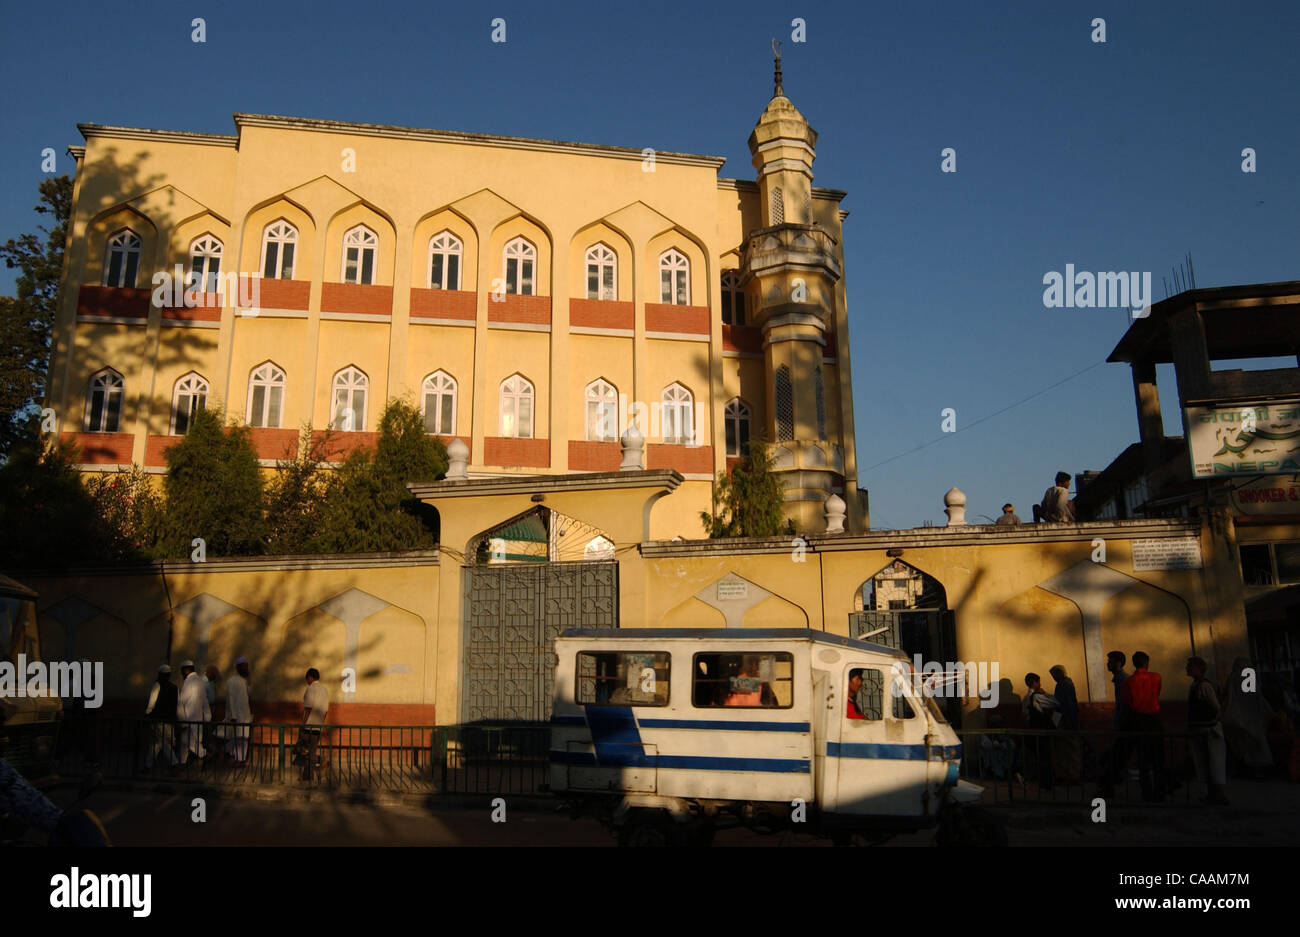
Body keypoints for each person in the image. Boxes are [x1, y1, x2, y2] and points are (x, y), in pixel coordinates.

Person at [1120, 651, 1165, 801]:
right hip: (1154, 720)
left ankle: (1147, 792)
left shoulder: (1129, 682)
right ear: (1147, 663)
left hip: (1138, 721)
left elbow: (1127, 703)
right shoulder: (1156, 677)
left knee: (1143, 759)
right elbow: (1157, 693)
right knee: (1158, 757)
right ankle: (1160, 791)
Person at [1221, 656, 1275, 778]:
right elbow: (1255, 696)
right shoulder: (1247, 677)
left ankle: (1250, 770)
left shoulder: (1234, 677)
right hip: (1252, 716)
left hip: (1240, 716)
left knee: (1243, 745)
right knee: (1255, 744)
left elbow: (1230, 696)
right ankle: (1257, 770)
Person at [1186, 657, 1229, 805]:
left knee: (1214, 762)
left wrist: (1213, 722)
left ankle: (1219, 794)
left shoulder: (1204, 686)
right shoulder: (1195, 685)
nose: (1187, 669)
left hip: (1209, 728)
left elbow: (1216, 707)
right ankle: (1211, 794)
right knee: (1205, 762)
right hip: (1201, 728)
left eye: (1190, 666)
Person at [1098, 651, 1131, 798]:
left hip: (1124, 725)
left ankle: (1108, 788)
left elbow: (1123, 705)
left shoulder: (1122, 679)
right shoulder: (1120, 679)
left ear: (1118, 663)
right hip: (1122, 724)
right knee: (1116, 758)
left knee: (1114, 758)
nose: (1107, 664)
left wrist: (1119, 724)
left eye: (1110, 661)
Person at [1021, 673, 1059, 791]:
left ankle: (1028, 778)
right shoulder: (1036, 696)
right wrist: (1045, 694)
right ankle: (1045, 784)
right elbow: (1056, 702)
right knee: (1044, 758)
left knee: (1036, 758)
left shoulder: (1026, 697)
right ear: (1034, 683)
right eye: (1038, 682)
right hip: (1039, 731)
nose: (1040, 684)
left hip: (1030, 730)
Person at [1049, 665, 1082, 780]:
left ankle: (1071, 775)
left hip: (1067, 720)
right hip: (1068, 719)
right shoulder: (1067, 684)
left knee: (1069, 750)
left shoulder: (1063, 685)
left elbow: (1065, 705)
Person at [143, 664, 178, 769]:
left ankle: (174, 762)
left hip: (158, 719)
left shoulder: (157, 685)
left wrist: (147, 714)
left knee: (162, 743)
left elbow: (151, 703)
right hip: (169, 719)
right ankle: (147, 765)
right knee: (158, 743)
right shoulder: (174, 688)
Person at [176, 660, 211, 765]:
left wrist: (180, 716)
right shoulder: (200, 681)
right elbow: (205, 701)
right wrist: (207, 716)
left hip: (188, 718)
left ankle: (204, 754)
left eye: (182, 671)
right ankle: (181, 762)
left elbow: (182, 701)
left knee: (189, 742)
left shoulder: (188, 682)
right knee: (185, 743)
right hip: (198, 719)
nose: (181, 673)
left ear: (186, 670)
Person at [298, 668, 329, 781]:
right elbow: (325, 711)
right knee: (311, 750)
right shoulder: (325, 690)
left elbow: (308, 708)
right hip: (318, 725)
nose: (307, 681)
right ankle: (307, 776)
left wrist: (303, 724)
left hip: (309, 725)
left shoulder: (311, 688)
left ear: (310, 677)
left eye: (307, 679)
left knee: (304, 750)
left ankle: (321, 760)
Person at [224, 657, 252, 763]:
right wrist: (233, 716)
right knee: (237, 738)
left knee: (244, 738)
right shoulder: (231, 681)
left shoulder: (244, 681)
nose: (246, 669)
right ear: (238, 667)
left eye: (246, 666)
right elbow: (230, 699)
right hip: (237, 716)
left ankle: (240, 760)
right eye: (244, 666)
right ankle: (237, 758)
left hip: (245, 715)